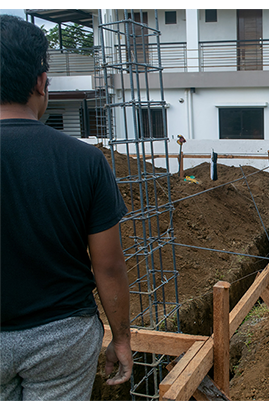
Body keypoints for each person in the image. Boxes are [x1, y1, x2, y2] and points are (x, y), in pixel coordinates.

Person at [0, 15, 132, 399]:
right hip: (62, 339)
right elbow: (107, 264)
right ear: (41, 82)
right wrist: (121, 339)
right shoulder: (85, 161)